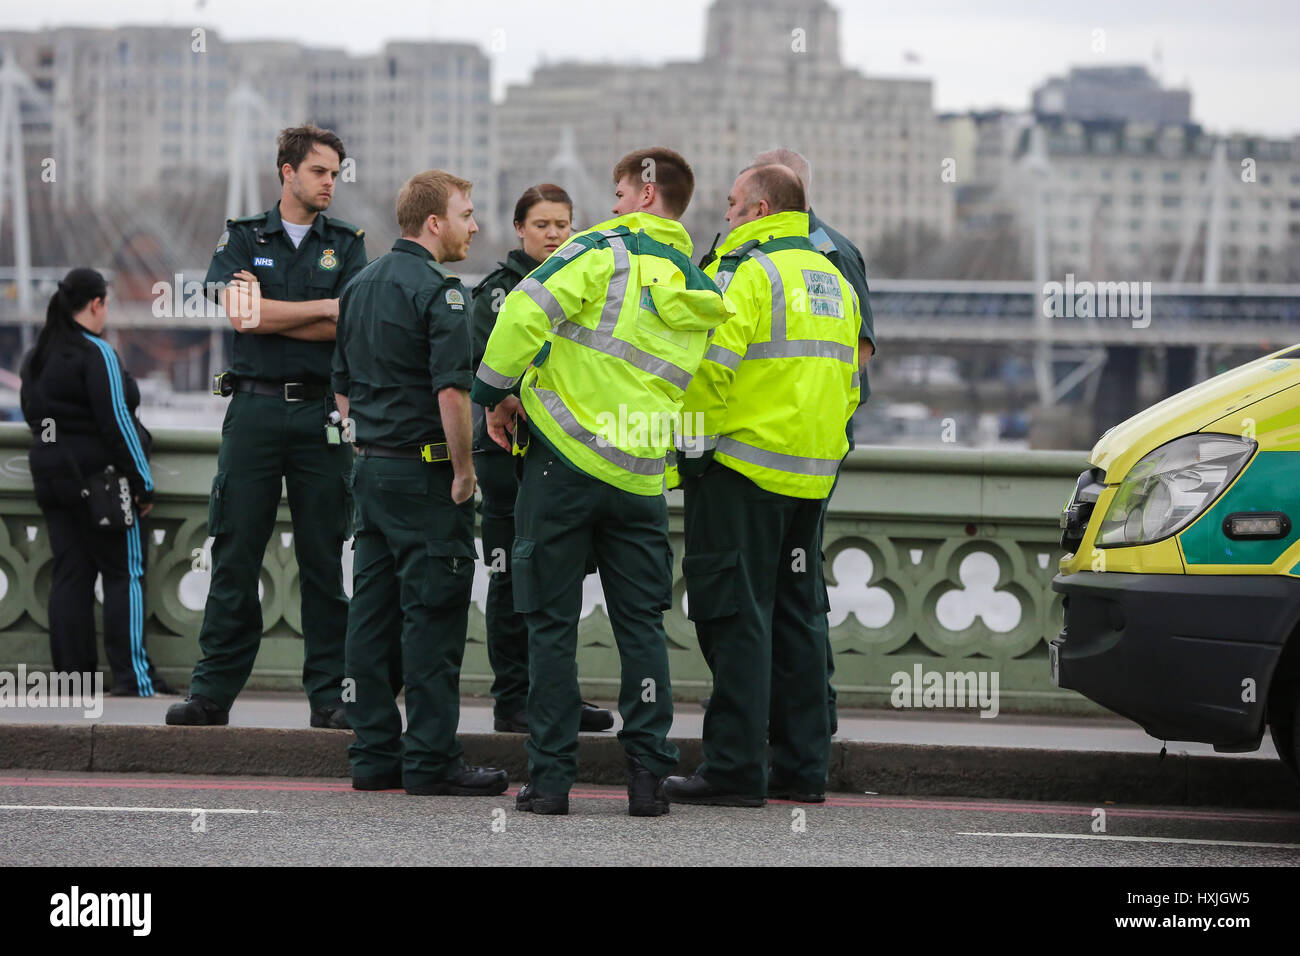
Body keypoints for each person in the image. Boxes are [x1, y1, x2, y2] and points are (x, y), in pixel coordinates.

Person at [470, 147, 732, 816]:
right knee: (641, 627)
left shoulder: (603, 251)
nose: (610, 207)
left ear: (645, 196)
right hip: (642, 478)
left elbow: (523, 314)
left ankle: (551, 780)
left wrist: (494, 394)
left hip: (563, 463)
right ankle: (647, 779)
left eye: (618, 193)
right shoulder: (703, 289)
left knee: (550, 624)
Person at [662, 164, 859, 807]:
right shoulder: (832, 278)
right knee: (798, 621)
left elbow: (710, 371)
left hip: (741, 472)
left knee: (735, 619)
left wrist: (690, 451)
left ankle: (734, 770)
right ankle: (803, 770)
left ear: (761, 207)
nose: (724, 216)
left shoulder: (747, 272)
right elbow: (850, 385)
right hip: (811, 477)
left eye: (731, 204)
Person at [166, 125, 368, 728]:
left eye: (336, 173)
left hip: (322, 414)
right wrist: (321, 308)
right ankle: (212, 694)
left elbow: (350, 324)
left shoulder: (348, 244)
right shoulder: (243, 237)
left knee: (324, 560)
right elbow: (240, 314)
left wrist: (274, 316)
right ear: (287, 171)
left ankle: (329, 698)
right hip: (252, 411)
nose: (331, 182)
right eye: (319, 172)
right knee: (234, 551)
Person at [332, 169, 507, 796]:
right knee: (432, 619)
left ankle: (374, 755)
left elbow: (343, 390)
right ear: (435, 223)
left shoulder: (359, 284)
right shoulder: (444, 292)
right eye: (466, 214)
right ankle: (431, 761)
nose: (475, 225)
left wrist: (372, 448)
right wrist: (464, 473)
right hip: (427, 476)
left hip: (371, 469)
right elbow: (453, 393)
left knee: (371, 618)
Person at [469, 183, 614, 735]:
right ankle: (513, 701)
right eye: (544, 225)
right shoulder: (499, 294)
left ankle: (557, 695)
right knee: (511, 581)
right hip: (510, 460)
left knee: (560, 584)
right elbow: (487, 374)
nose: (555, 235)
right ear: (520, 230)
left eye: (564, 225)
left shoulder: (582, 287)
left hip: (566, 462)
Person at [752, 146, 876, 737]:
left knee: (795, 592)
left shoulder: (831, 253)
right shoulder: (758, 253)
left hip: (802, 448)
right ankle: (793, 728)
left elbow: (858, 351)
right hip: (781, 444)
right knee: (785, 590)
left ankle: (808, 723)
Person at [20, 268, 172, 697]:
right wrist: (142, 482)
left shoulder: (37, 356)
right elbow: (117, 422)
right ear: (96, 304)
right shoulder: (96, 353)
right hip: (102, 483)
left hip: (51, 478)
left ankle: (73, 680)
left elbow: (39, 421)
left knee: (71, 575)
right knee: (125, 572)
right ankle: (132, 678)